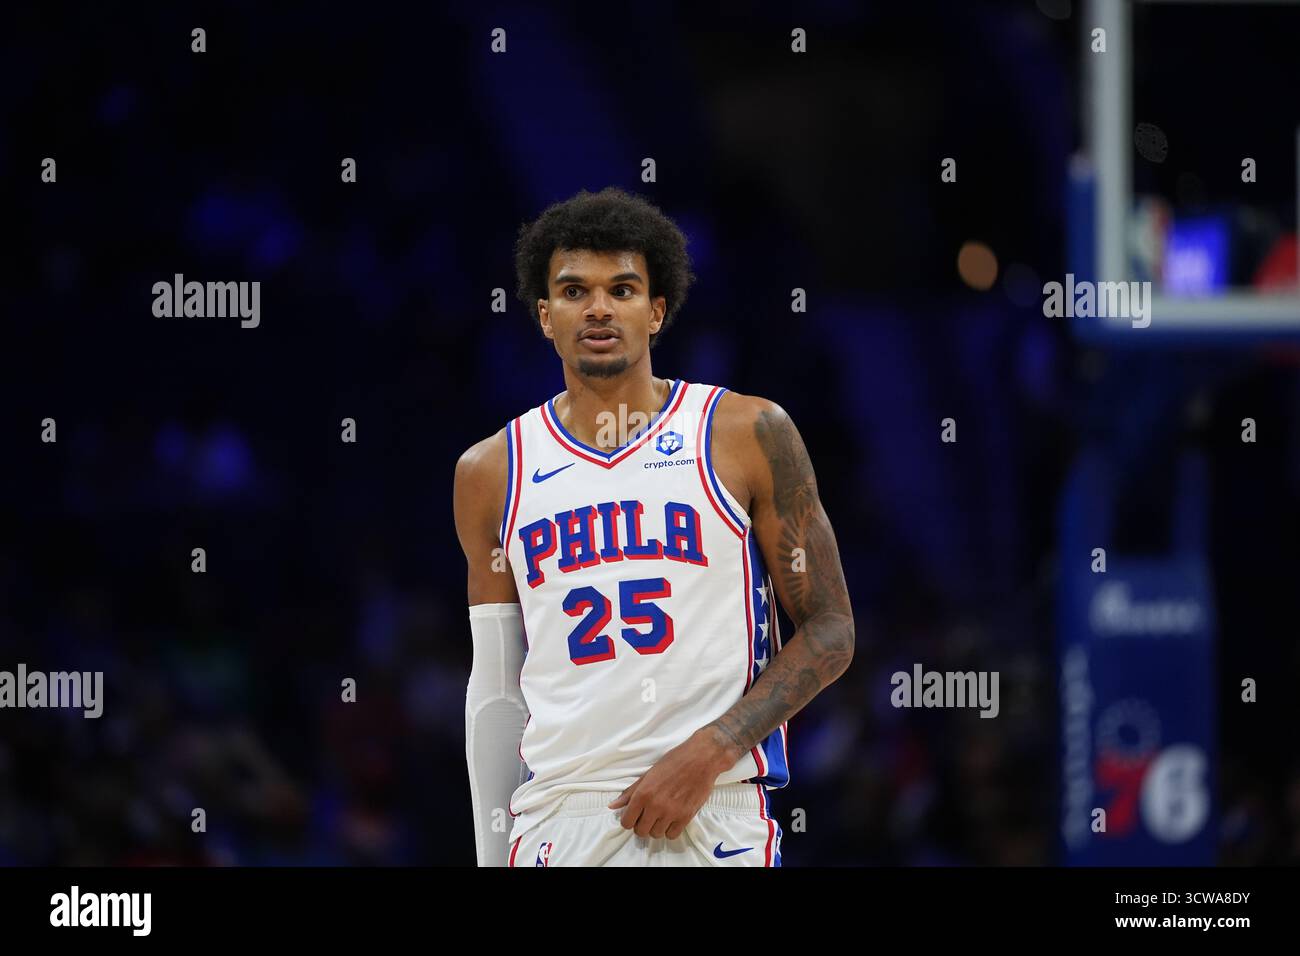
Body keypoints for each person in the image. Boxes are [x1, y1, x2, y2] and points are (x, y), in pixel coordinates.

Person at [455, 187, 854, 866]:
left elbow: (831, 629)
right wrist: (492, 857)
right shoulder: (493, 469)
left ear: (657, 310)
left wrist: (717, 746)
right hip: (559, 816)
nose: (600, 308)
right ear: (545, 315)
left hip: (712, 804)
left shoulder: (745, 432)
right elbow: (495, 685)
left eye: (624, 289)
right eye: (575, 291)